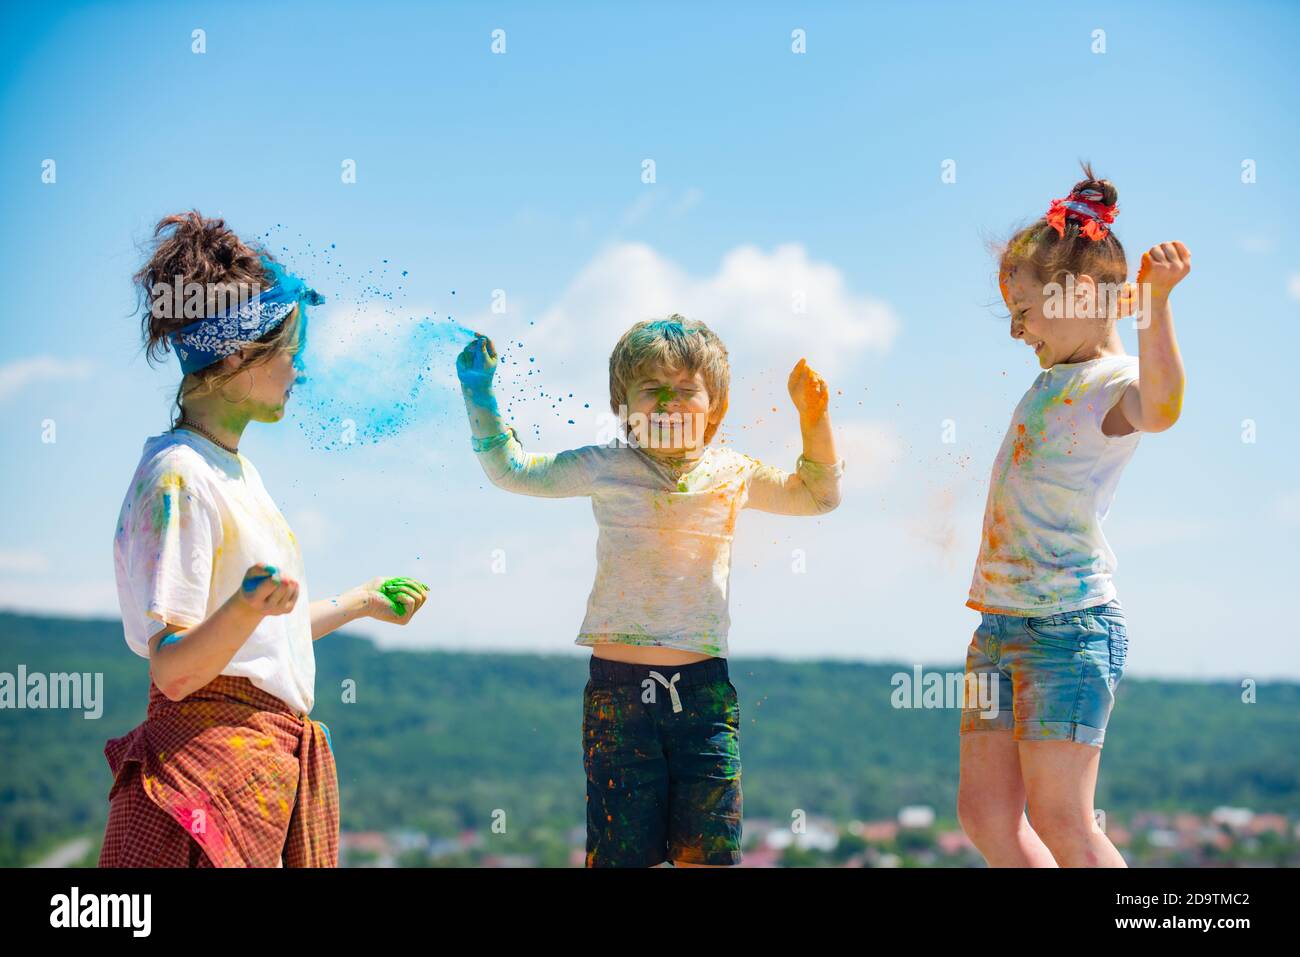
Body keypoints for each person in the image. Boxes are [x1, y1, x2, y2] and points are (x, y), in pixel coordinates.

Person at [101, 211, 429, 867]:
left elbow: (255, 639)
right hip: (197, 798)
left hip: (249, 785)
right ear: (234, 352)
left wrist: (357, 601)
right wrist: (248, 604)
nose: (300, 371)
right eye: (290, 351)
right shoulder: (179, 478)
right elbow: (173, 666)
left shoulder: (236, 473)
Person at [456, 315, 843, 866]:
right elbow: (511, 470)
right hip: (618, 694)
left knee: (709, 857)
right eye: (650, 391)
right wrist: (479, 392)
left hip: (704, 695)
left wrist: (815, 418)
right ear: (623, 407)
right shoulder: (605, 466)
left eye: (685, 391)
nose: (667, 404)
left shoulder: (733, 472)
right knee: (621, 857)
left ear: (716, 407)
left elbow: (818, 496)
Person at [957, 166, 1190, 867]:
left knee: (1062, 815)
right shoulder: (1051, 378)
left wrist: (1153, 306)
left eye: (1023, 310)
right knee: (986, 816)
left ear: (1082, 293)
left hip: (1069, 625)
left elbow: (1164, 407)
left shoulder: (1112, 384)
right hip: (999, 623)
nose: (1016, 330)